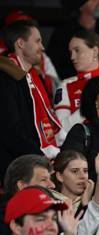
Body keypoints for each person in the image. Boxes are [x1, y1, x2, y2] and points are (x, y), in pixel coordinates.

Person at [0, 19, 63, 179]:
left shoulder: (32, 77)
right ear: (20, 43)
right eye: (37, 41)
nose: (42, 47)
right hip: (15, 171)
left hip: (32, 163)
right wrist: (39, 158)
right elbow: (11, 130)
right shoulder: (5, 77)